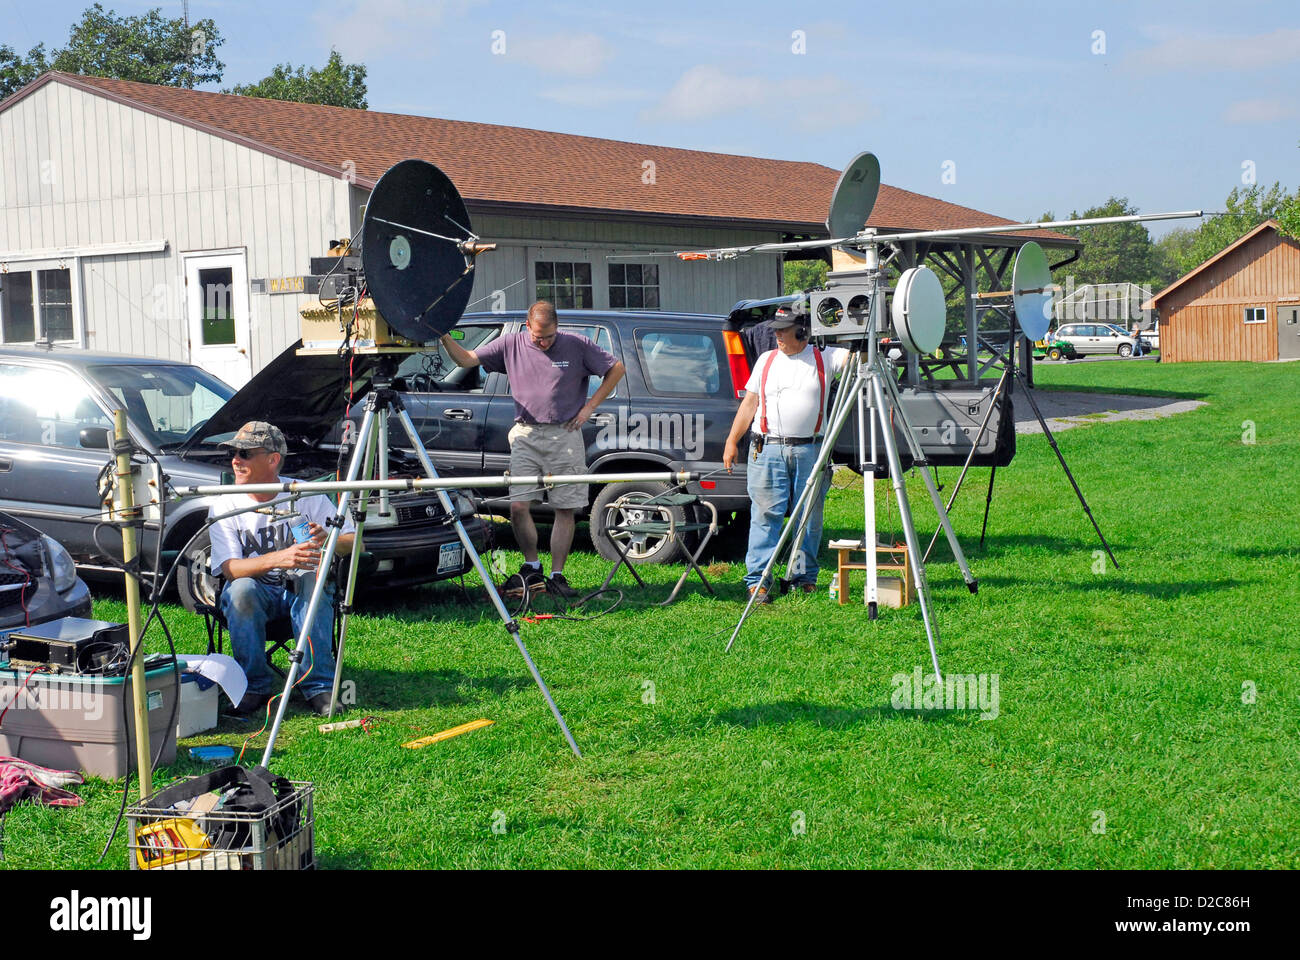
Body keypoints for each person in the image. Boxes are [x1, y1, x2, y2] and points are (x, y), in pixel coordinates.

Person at [440, 301, 625, 599]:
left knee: (565, 507)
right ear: (528, 326)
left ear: (557, 327)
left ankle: (557, 575)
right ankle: (532, 566)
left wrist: (589, 407)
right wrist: (446, 338)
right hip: (525, 433)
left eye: (549, 337)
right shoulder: (511, 343)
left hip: (565, 433)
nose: (543, 343)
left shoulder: (577, 344)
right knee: (518, 505)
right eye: (538, 337)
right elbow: (466, 360)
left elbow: (616, 368)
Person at [207, 421, 355, 717]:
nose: (235, 460)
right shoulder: (225, 504)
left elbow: (354, 542)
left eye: (245, 454)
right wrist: (281, 557)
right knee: (241, 589)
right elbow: (231, 569)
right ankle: (252, 686)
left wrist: (330, 538)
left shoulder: (306, 494)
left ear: (273, 460)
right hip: (254, 595)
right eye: (233, 453)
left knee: (311, 577)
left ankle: (319, 687)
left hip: (299, 593)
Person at [723, 311, 849, 603]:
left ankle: (802, 578)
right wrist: (732, 441)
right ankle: (758, 581)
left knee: (809, 517)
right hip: (767, 449)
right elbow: (750, 403)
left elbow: (860, 357)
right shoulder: (766, 360)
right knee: (765, 515)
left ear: (803, 332)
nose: (778, 336)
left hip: (811, 449)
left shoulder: (825, 357)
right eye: (776, 331)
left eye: (784, 331)